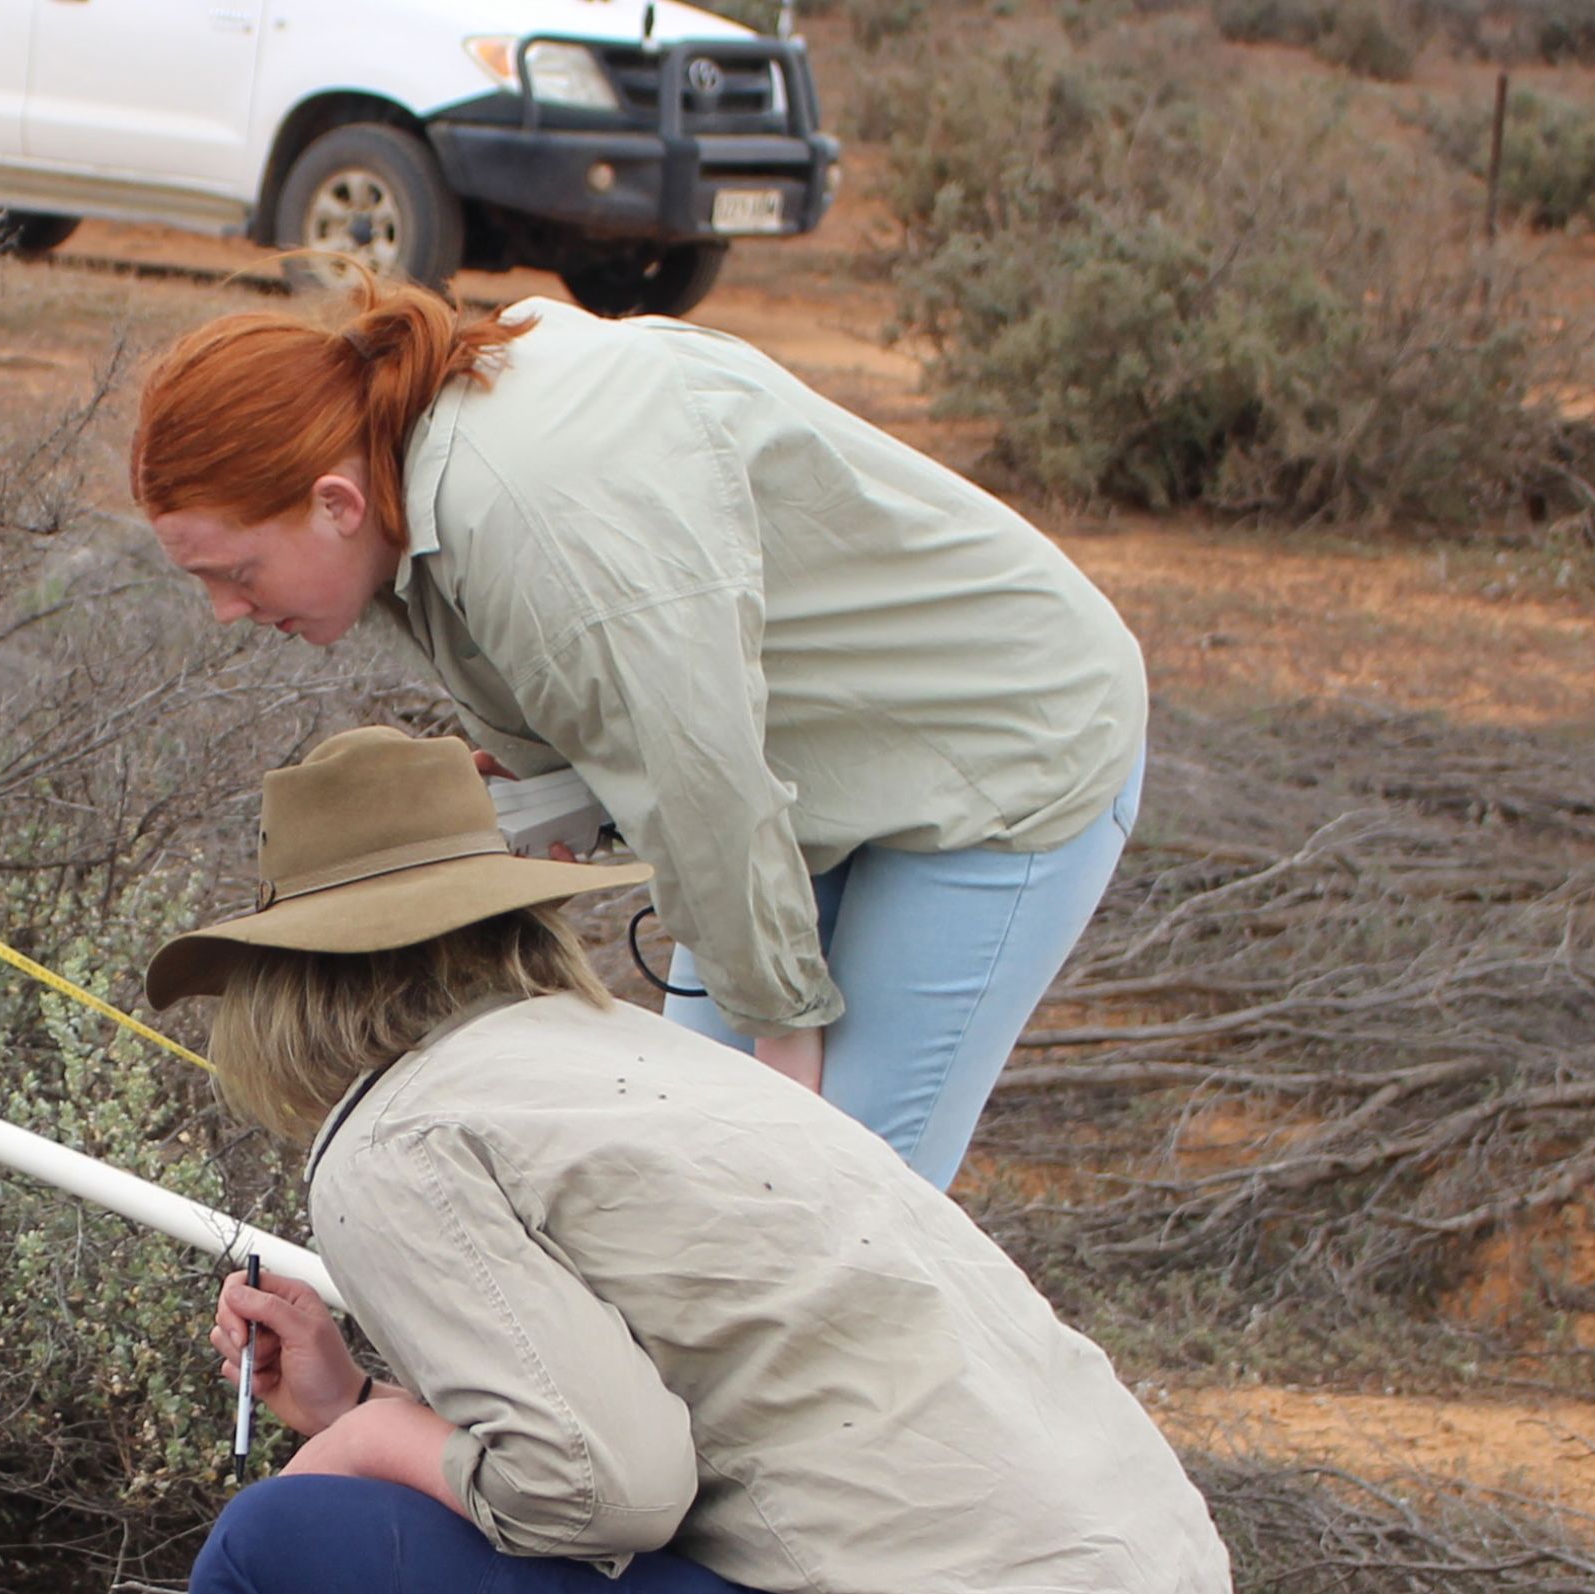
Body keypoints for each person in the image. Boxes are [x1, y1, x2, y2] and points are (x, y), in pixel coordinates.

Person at [144, 726, 1240, 1594]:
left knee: (274, 1560)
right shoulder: (629, 1053)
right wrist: (356, 1402)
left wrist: (376, 1438)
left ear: (281, 979)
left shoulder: (396, 1135)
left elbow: (611, 1493)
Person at [131, 276, 1150, 1189]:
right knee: (695, 1177)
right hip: (801, 784)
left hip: (1001, 750)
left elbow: (699, 784)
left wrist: (780, 1032)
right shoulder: (406, 488)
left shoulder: (528, 510)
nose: (225, 609)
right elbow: (646, 725)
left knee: (834, 1208)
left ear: (333, 501)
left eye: (233, 572)